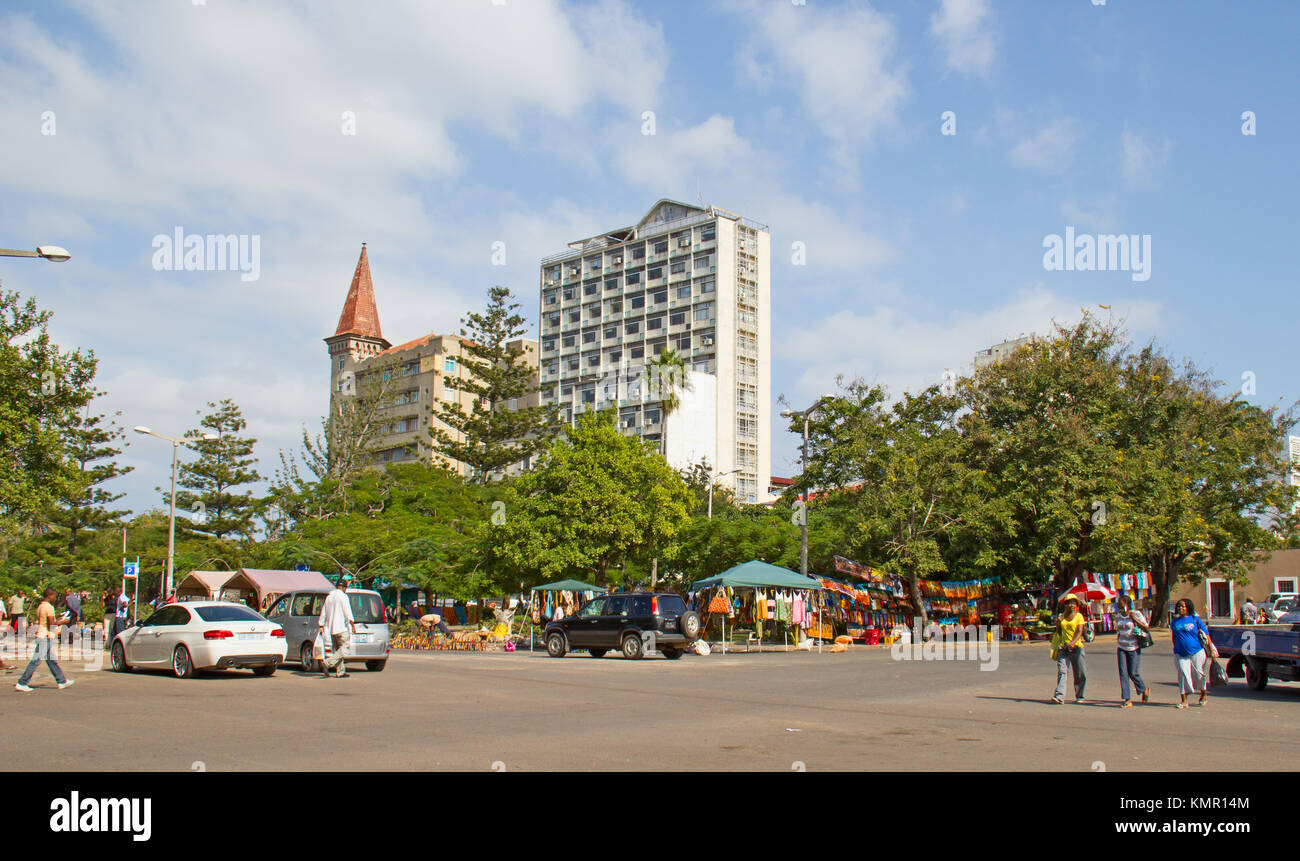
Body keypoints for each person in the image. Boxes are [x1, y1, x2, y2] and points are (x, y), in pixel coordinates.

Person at [15, 588, 75, 692]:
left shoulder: (41, 606)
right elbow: (51, 624)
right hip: (46, 636)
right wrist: (63, 622)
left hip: (42, 634)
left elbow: (46, 622)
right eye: (54, 596)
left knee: (51, 661)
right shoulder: (49, 607)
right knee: (36, 660)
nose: (55, 598)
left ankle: (61, 681)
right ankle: (22, 682)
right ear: (50, 596)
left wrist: (58, 621)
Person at [1171, 598, 1211, 708]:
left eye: (1183, 606)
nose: (1180, 608)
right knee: (1183, 675)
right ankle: (1184, 700)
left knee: (1198, 674)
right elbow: (1174, 636)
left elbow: (1206, 635)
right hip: (1180, 653)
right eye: (1179, 606)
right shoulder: (1174, 621)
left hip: (1197, 651)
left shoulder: (1195, 619)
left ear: (1188, 607)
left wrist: (1211, 649)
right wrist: (1176, 648)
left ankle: (1203, 694)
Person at [1114, 595, 1151, 708]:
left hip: (1134, 647)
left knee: (1133, 672)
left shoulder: (1136, 614)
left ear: (1126, 603)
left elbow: (1146, 627)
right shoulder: (1118, 617)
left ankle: (1143, 689)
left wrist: (1134, 619)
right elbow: (1119, 631)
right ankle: (1127, 699)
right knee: (1123, 672)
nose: (1119, 606)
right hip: (1121, 647)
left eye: (1121, 603)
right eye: (1118, 604)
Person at [1050, 596, 1088, 704]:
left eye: (1073, 603)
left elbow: (1079, 631)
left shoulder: (1079, 616)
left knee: (1080, 673)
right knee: (1062, 671)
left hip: (1076, 648)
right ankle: (1059, 696)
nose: (1071, 605)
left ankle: (1080, 695)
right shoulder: (1062, 616)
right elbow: (1058, 632)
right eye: (1069, 603)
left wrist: (1073, 642)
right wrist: (1058, 623)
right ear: (1065, 604)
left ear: (1076, 605)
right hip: (1063, 647)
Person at [317, 575, 356, 678]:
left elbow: (324, 612)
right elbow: (347, 611)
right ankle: (328, 662)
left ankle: (340, 672)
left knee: (337, 649)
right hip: (341, 628)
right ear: (343, 587)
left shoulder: (329, 597)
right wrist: (352, 624)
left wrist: (321, 624)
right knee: (345, 648)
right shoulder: (343, 596)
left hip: (331, 628)